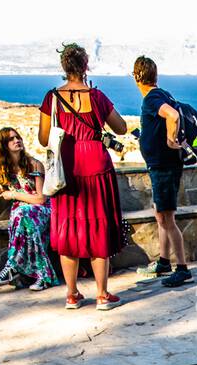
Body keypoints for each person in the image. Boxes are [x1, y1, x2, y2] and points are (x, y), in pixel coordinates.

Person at [37, 42, 128, 310]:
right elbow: (121, 128)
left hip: (68, 167)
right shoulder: (98, 97)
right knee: (99, 227)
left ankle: (72, 294)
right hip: (98, 164)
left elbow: (44, 139)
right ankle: (102, 294)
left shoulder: (52, 98)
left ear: (64, 68)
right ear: (86, 66)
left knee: (68, 229)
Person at [132, 56, 192, 287]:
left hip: (164, 167)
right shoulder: (162, 94)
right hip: (162, 166)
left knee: (167, 218)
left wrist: (170, 139)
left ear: (136, 76)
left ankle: (182, 268)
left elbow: (173, 115)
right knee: (161, 214)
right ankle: (164, 261)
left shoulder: (152, 98)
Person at [0, 127, 59, 291]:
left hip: (42, 209)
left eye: (18, 137)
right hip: (22, 211)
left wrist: (13, 194)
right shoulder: (1, 163)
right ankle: (42, 276)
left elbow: (41, 198)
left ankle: (12, 267)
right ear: (4, 145)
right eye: (11, 139)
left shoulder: (34, 165)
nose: (17, 141)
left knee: (22, 214)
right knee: (23, 218)